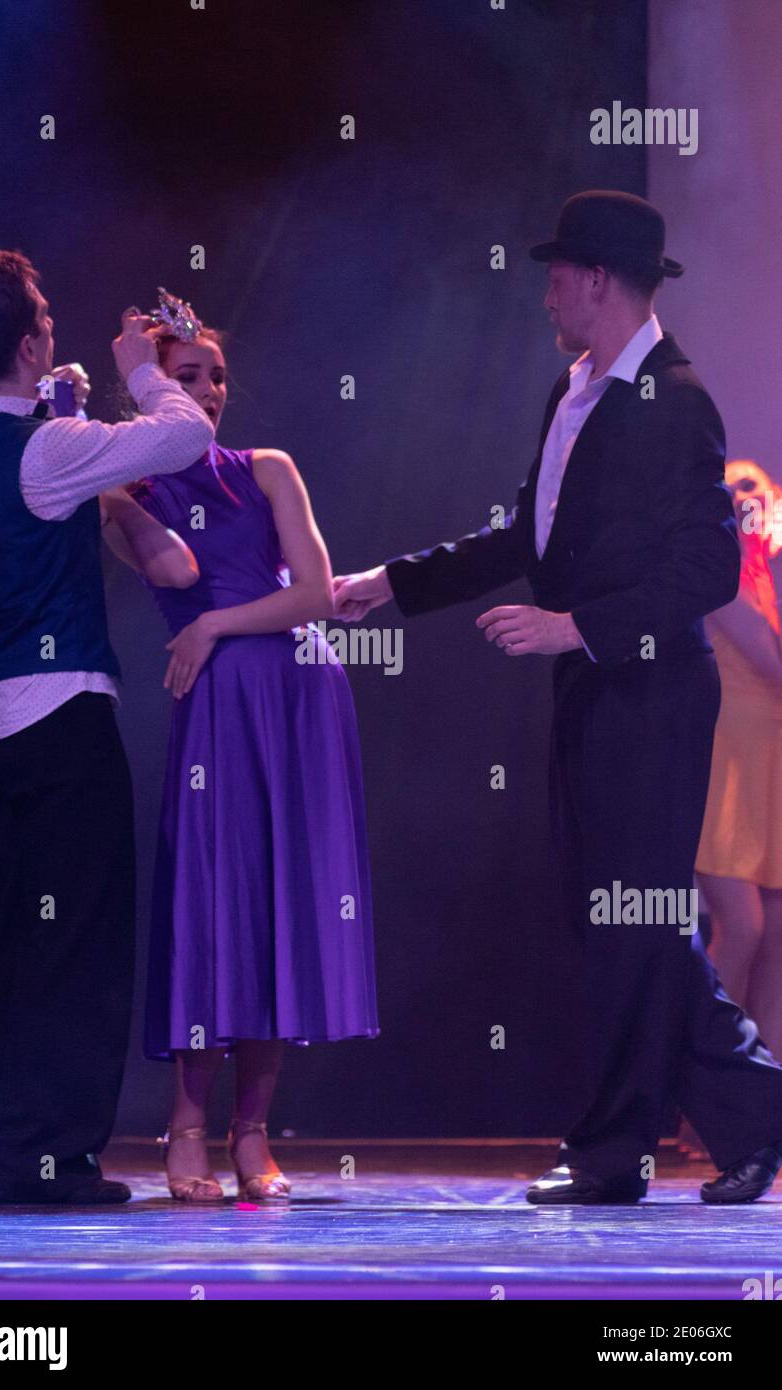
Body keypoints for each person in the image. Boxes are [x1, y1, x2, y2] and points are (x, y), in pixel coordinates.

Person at [334, 191, 782, 1204]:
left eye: (555, 274)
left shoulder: (674, 398)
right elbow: (522, 539)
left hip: (653, 695)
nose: (544, 293)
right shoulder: (572, 393)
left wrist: (573, 628)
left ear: (594, 280)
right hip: (595, 693)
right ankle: (731, 1119)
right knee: (627, 923)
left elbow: (706, 569)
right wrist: (394, 584)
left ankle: (615, 1149)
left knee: (634, 919)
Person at [0, 251, 213, 1204]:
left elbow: (26, 486)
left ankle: (13, 1156)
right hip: (59, 721)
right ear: (26, 339)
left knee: (14, 949)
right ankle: (57, 1162)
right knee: (77, 947)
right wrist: (139, 367)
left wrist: (52, 402)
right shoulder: (47, 453)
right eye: (44, 313)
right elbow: (181, 436)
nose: (55, 321)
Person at [111, 291, 378, 1203]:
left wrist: (217, 625)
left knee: (284, 911)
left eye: (216, 375)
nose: (211, 390)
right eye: (188, 377)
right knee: (214, 908)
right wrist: (115, 484)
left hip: (298, 689)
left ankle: (253, 1131)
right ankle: (183, 1128)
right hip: (219, 707)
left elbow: (314, 594)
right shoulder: (129, 491)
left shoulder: (270, 467)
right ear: (152, 394)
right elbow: (175, 570)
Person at [695, 461, 782, 1058]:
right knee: (743, 927)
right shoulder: (719, 572)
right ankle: (709, 1105)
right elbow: (769, 658)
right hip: (725, 771)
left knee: (775, 936)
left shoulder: (761, 580)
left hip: (768, 771)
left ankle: (766, 1104)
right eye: (741, 490)